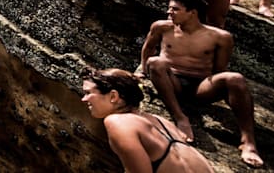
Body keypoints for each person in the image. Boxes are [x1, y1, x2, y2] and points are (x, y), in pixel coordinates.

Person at [140, 0, 263, 167]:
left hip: (200, 86)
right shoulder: (162, 27)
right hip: (171, 81)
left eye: (175, 9)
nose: (169, 13)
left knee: (235, 78)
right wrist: (143, 71)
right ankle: (180, 117)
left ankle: (248, 141)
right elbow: (148, 48)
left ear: (193, 12)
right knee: (156, 62)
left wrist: (230, 91)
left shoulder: (220, 37)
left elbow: (219, 70)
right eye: (169, 9)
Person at [81, 68, 213, 173]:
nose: (84, 99)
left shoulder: (118, 122)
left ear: (113, 96)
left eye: (88, 93)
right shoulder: (160, 121)